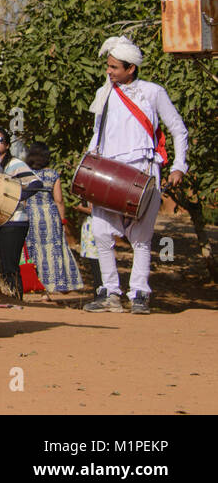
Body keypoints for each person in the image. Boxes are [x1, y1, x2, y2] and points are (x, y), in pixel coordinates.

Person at [82, 36, 188, 315]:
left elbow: (178, 129)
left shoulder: (152, 92)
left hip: (143, 169)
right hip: (108, 173)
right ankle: (110, 293)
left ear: (131, 69)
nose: (109, 71)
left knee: (141, 237)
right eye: (108, 66)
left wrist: (179, 165)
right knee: (102, 233)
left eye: (114, 67)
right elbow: (98, 134)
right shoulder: (104, 94)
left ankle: (139, 293)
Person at [23, 141, 83, 296]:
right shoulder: (52, 174)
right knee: (54, 250)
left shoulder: (25, 173)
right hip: (50, 216)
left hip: (31, 215)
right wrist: (63, 220)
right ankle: (56, 284)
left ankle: (39, 286)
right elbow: (59, 200)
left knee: (35, 250)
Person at [0, 128, 36, 303]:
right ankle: (4, 297)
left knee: (10, 264)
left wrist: (14, 199)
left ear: (7, 144)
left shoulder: (15, 164)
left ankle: (16, 298)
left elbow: (35, 183)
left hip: (14, 221)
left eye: (0, 140)